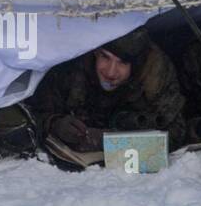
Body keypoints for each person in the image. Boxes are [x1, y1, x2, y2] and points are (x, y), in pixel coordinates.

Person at [31, 27, 188, 155]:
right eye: (105, 57)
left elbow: (176, 133)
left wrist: (109, 141)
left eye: (123, 63)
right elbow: (32, 113)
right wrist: (54, 124)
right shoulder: (71, 67)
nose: (111, 72)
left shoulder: (155, 73)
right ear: (95, 52)